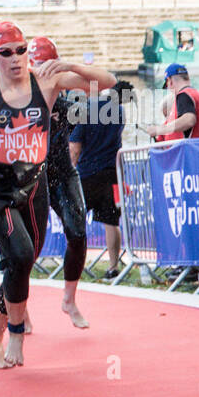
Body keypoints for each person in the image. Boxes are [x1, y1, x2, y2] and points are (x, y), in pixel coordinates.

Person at [0, 21, 114, 368]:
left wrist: (69, 65)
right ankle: (14, 334)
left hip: (33, 188)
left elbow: (108, 84)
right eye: (6, 53)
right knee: (22, 253)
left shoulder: (48, 82)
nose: (15, 58)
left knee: (21, 264)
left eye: (21, 50)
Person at [29, 36, 109, 329]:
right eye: (39, 68)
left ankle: (69, 298)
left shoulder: (65, 101)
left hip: (62, 172)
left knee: (77, 234)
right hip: (31, 175)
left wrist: (71, 67)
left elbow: (106, 84)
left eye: (50, 68)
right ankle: (17, 305)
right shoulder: (16, 98)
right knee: (26, 245)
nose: (44, 75)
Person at [69, 79, 134, 281]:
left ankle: (74, 265)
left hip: (87, 173)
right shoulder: (120, 112)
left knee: (74, 221)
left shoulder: (88, 108)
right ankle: (113, 267)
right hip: (110, 172)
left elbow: (75, 147)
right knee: (110, 221)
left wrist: (69, 169)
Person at [150, 63, 199, 141]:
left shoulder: (183, 95)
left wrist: (159, 130)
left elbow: (189, 120)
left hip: (193, 150)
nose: (170, 90)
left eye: (167, 86)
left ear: (169, 81)